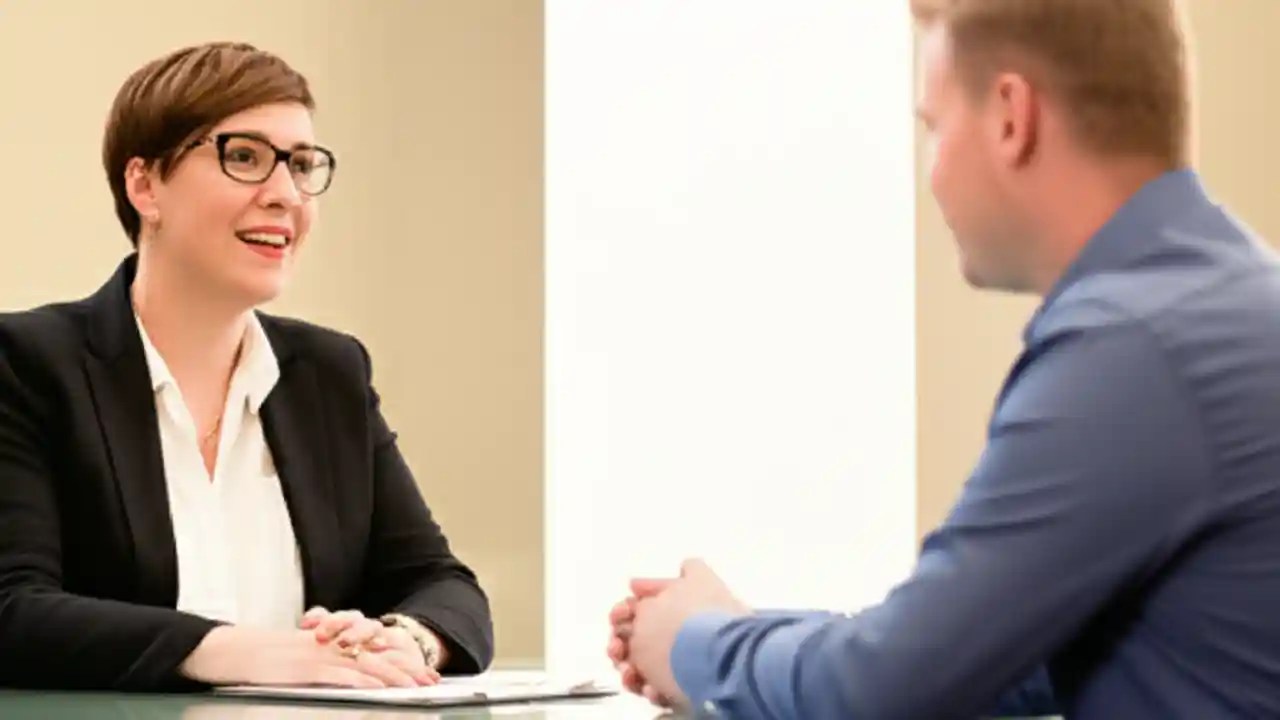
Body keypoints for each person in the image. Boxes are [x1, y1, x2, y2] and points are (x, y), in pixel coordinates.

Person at [608, 0, 1280, 717]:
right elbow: (997, 657)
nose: (931, 174)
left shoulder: (1132, 348)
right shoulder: (1227, 302)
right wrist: (736, 632)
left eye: (933, 127)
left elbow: (885, 690)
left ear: (1010, 116)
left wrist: (694, 644)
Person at [0, 42, 493, 691]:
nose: (286, 194)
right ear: (145, 185)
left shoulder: (330, 372)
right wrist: (243, 652)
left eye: (303, 165)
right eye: (244, 158)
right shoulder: (29, 363)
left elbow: (440, 582)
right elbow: (14, 610)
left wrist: (404, 640)